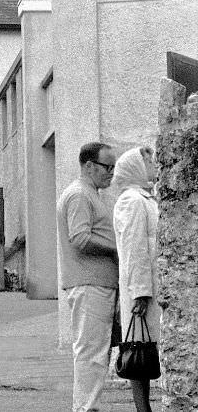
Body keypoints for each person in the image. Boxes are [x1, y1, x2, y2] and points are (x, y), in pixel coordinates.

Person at [56, 141, 119, 412]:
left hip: (96, 282)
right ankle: (85, 408)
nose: (111, 173)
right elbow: (80, 238)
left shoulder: (90, 193)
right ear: (89, 165)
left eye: (114, 168)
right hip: (89, 283)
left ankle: (87, 407)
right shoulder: (80, 194)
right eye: (107, 167)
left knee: (95, 352)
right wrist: (116, 248)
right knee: (91, 353)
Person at [112, 146, 159, 412]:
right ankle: (143, 408)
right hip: (142, 289)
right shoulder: (131, 201)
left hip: (150, 284)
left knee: (147, 347)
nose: (154, 165)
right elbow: (134, 248)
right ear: (136, 168)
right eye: (149, 161)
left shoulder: (145, 198)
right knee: (138, 348)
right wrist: (141, 291)